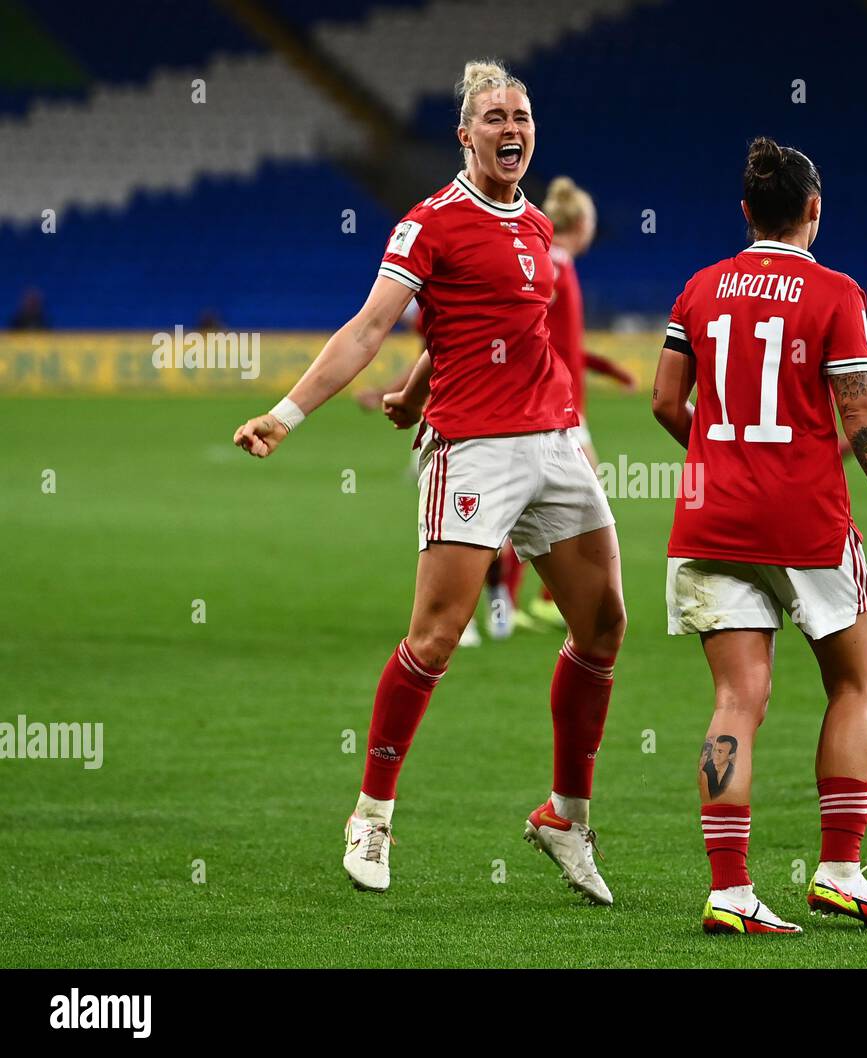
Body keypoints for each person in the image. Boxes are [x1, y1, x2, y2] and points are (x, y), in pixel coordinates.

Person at [233, 59, 625, 906]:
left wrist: (414, 391)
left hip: (552, 443)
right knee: (437, 636)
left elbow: (474, 332)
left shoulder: (533, 232)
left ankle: (565, 816)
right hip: (474, 451)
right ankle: (372, 813)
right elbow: (371, 326)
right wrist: (286, 414)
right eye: (495, 118)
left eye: (522, 114)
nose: (512, 128)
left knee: (602, 626)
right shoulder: (431, 223)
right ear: (465, 134)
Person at [652, 138, 867, 934]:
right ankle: (840, 869)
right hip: (805, 524)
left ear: (744, 213)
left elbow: (668, 405)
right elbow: (861, 414)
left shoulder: (699, 288)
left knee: (737, 699)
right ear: (814, 208)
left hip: (711, 519)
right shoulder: (836, 292)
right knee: (855, 685)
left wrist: (722, 454)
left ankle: (729, 890)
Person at [493, 175, 637, 639]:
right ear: (582, 222)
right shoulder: (552, 268)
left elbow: (565, 346)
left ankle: (532, 601)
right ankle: (525, 600)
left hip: (568, 408)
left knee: (560, 505)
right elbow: (528, 332)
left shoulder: (561, 264)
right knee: (577, 504)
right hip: (556, 408)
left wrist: (609, 369)